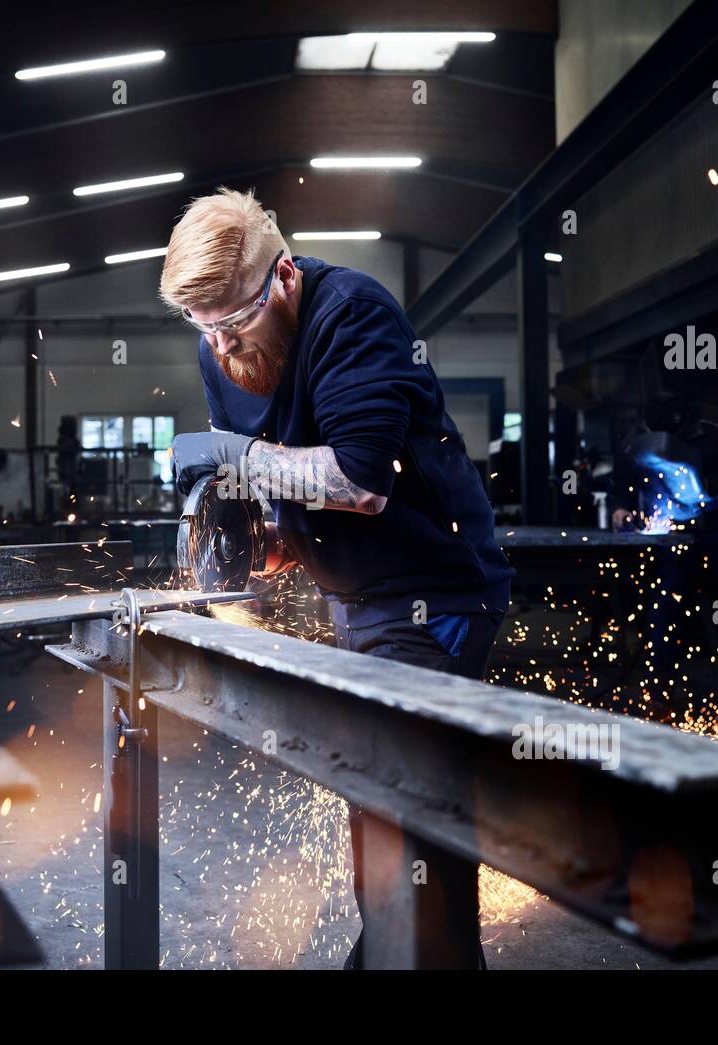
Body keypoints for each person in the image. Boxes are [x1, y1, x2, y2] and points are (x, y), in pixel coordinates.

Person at [160, 187, 514, 968]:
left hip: (435, 596)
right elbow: (275, 482)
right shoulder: (221, 344)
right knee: (393, 814)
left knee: (401, 821)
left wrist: (235, 456)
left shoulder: (351, 315)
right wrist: (263, 542)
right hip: (356, 598)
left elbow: (360, 482)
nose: (220, 345)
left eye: (234, 322)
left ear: (284, 276)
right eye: (201, 326)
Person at [611, 398, 718, 734]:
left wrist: (712, 486)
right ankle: (657, 697)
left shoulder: (716, 429)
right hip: (677, 534)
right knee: (664, 605)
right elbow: (621, 483)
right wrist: (621, 508)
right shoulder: (636, 439)